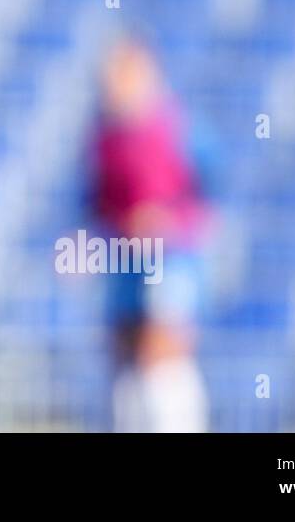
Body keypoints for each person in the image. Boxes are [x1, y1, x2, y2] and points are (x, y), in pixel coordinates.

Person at [86, 34, 216, 432]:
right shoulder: (104, 139)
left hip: (169, 257)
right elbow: (95, 201)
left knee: (163, 352)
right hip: (125, 261)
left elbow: (211, 189)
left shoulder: (176, 128)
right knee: (126, 352)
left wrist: (170, 221)